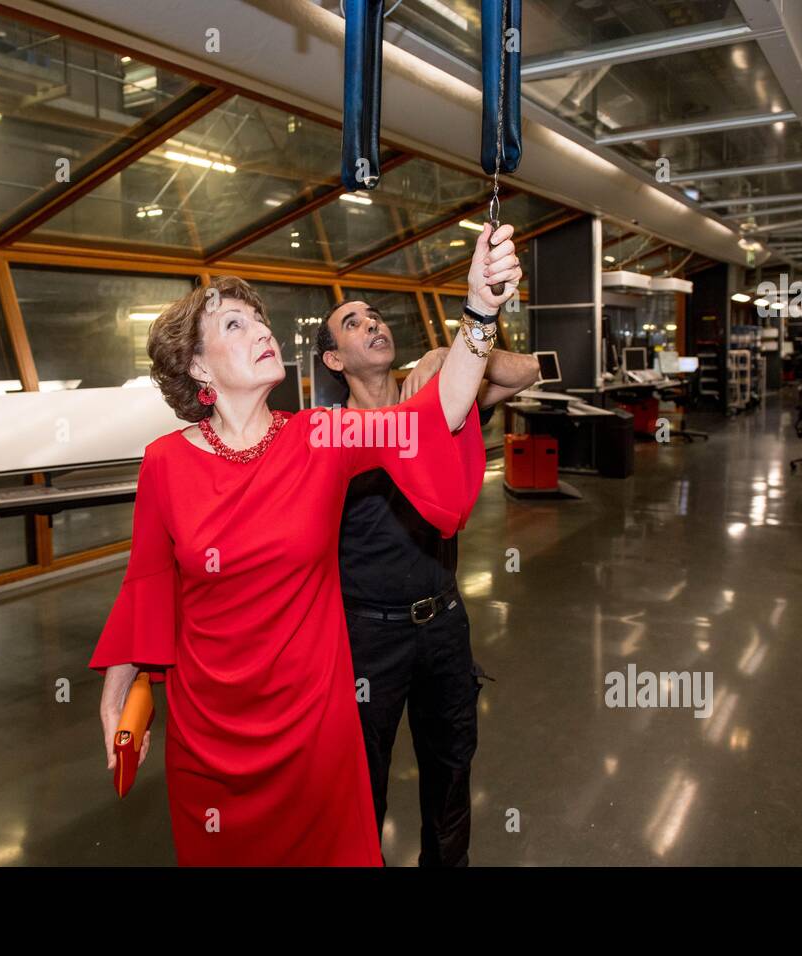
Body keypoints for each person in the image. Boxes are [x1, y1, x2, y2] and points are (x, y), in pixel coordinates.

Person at [90, 222, 522, 866]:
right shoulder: (164, 463)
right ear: (198, 366)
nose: (262, 331)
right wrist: (119, 684)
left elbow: (436, 412)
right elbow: (150, 581)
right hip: (209, 731)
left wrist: (480, 309)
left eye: (259, 321)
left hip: (314, 724)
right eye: (235, 324)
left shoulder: (320, 437)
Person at [316, 294, 538, 866]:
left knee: (451, 769)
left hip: (442, 624)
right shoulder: (331, 437)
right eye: (353, 323)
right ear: (335, 360)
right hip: (368, 639)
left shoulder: (441, 407)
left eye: (375, 315)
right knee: (365, 784)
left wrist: (451, 354)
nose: (372, 324)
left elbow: (528, 369)